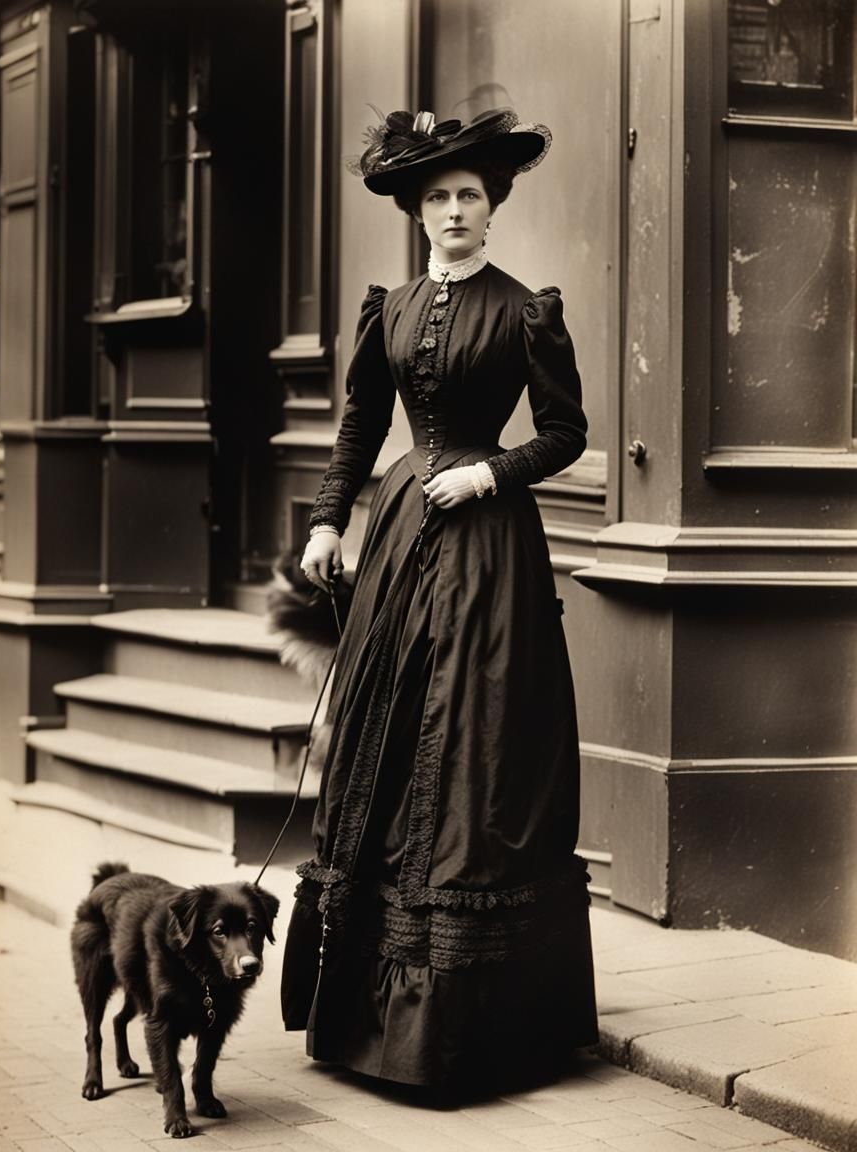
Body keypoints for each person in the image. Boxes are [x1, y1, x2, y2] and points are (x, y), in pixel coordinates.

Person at [280, 106, 598, 1092]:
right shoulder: (394, 306)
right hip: (397, 538)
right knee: (381, 736)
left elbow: (565, 433)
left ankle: (471, 1031)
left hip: (486, 548)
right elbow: (356, 429)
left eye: (467, 196)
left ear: (491, 208)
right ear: (417, 213)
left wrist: (489, 475)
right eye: (436, 199)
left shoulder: (524, 309)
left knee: (470, 743)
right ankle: (356, 1023)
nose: (452, 211)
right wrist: (328, 522)